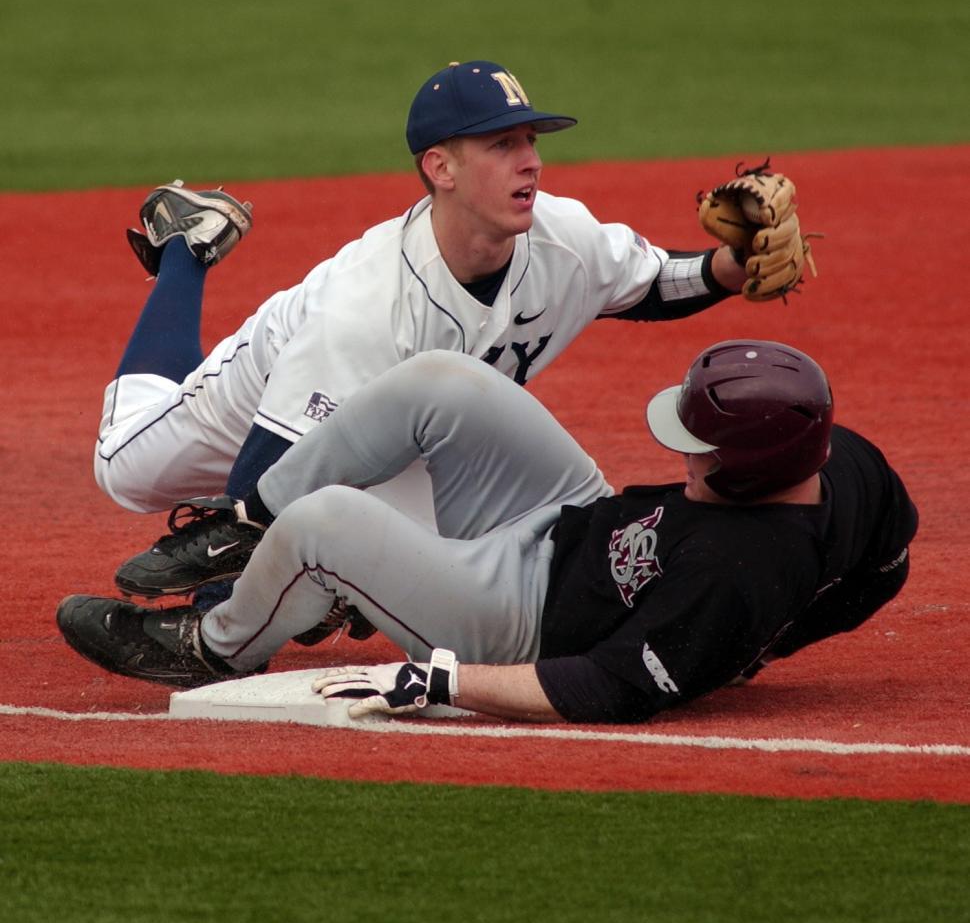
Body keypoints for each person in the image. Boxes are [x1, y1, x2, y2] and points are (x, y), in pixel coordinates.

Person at [94, 58, 806, 608]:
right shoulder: (369, 303)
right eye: (503, 144)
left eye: (531, 140)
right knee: (125, 469)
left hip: (390, 438)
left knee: (413, 559)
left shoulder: (564, 236)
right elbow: (266, 480)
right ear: (441, 168)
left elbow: (649, 282)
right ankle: (188, 245)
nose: (531, 160)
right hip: (266, 404)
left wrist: (727, 266)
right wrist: (221, 620)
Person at [58, 339, 918, 725]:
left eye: (701, 447)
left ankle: (213, 642)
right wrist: (784, 631)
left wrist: (443, 679)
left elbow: (611, 690)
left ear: (756, 468)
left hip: (517, 621)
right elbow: (892, 559)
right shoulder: (847, 461)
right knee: (443, 383)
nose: (682, 453)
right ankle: (252, 525)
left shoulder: (738, 573)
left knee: (327, 527)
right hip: (568, 515)